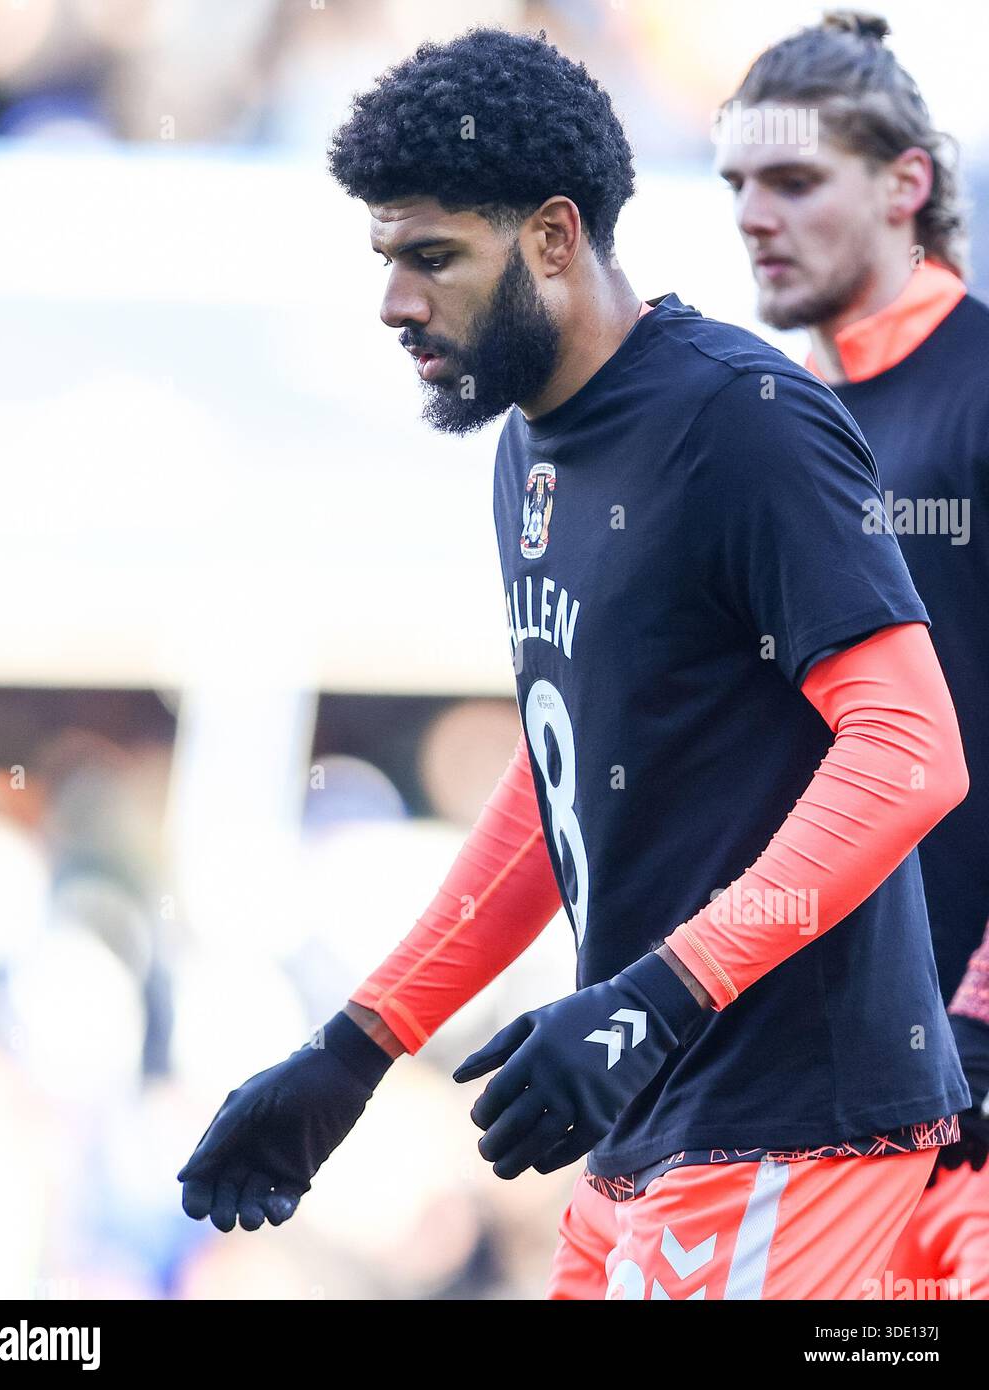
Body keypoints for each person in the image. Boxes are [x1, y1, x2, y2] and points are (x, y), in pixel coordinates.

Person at [178, 27, 971, 1300]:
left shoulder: (739, 421)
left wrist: (652, 996)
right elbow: (565, 782)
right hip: (651, 1128)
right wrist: (358, 1043)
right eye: (386, 257)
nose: (393, 300)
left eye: (431, 257)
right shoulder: (529, 445)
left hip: (791, 1126)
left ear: (552, 237)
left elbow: (907, 751)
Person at [717, 8, 989, 1299]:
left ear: (906, 186)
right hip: (825, 1113)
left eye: (793, 181)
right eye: (737, 186)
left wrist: (982, 1016)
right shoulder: (780, 426)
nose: (753, 217)